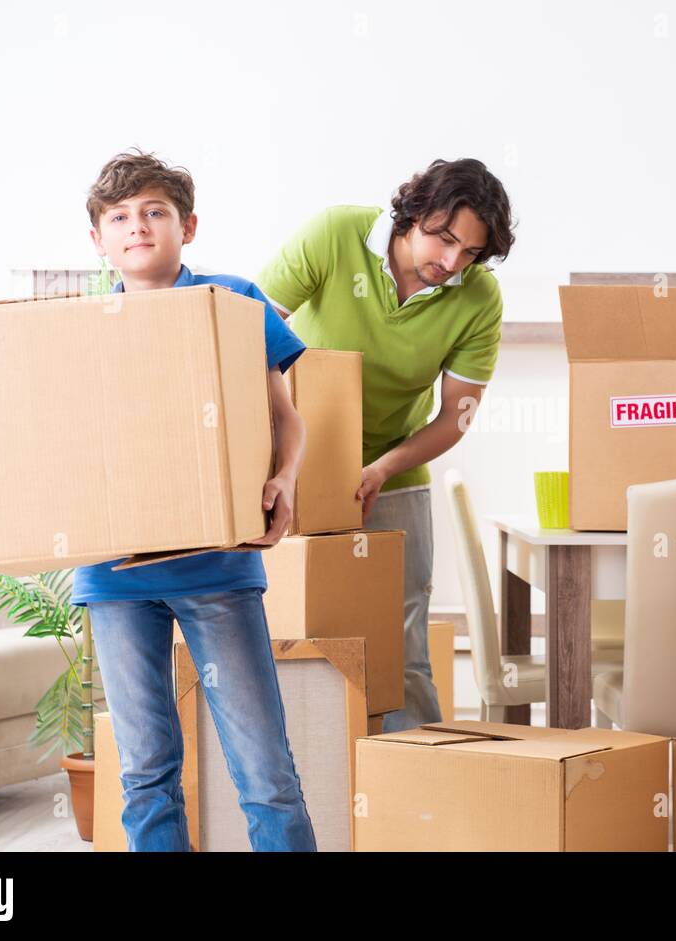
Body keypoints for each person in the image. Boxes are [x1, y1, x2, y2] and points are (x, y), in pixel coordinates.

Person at [73, 150, 317, 851]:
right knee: (146, 770)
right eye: (119, 217)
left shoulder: (233, 300)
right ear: (99, 239)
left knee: (264, 766)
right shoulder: (83, 326)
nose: (138, 226)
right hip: (114, 573)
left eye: (155, 212)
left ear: (189, 225)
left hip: (217, 564)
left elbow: (286, 415)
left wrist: (285, 479)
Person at [258, 158, 515, 732]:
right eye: (444, 238)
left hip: (394, 473)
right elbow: (252, 337)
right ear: (411, 212)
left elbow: (456, 417)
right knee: (294, 637)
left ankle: (417, 794)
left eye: (469, 253)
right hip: (298, 464)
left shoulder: (479, 298)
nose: (450, 264)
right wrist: (281, 458)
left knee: (403, 650)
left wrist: (380, 469)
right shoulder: (335, 235)